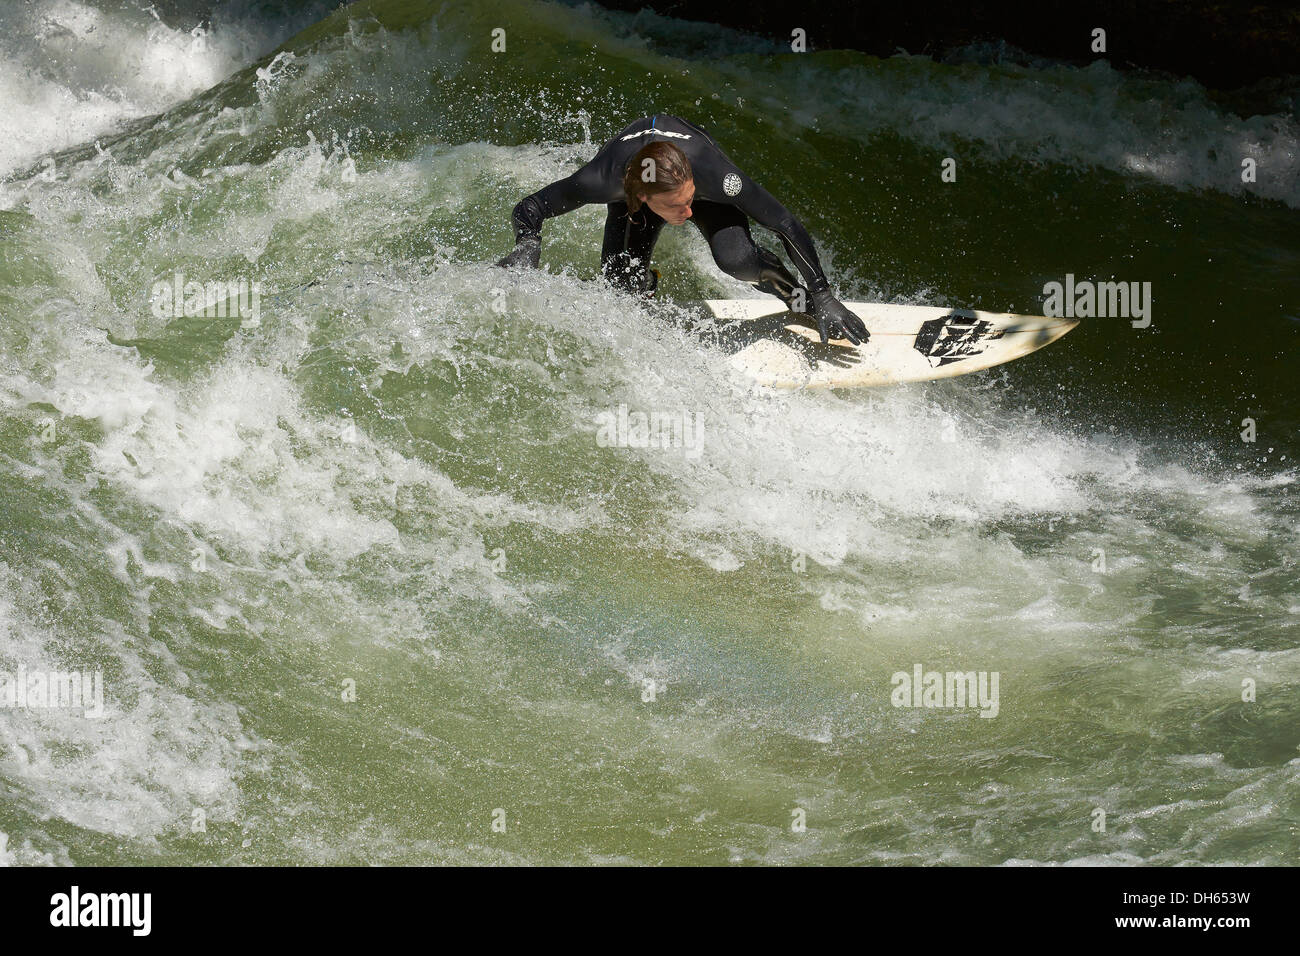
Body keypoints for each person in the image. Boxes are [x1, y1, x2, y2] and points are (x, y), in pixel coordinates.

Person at [497, 114, 869, 345]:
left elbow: (785, 224)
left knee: (736, 260)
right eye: (679, 208)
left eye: (688, 202)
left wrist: (822, 295)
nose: (688, 213)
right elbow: (530, 208)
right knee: (619, 287)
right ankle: (647, 284)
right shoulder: (599, 181)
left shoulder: (718, 179)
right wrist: (527, 243)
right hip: (635, 194)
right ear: (641, 195)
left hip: (701, 182)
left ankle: (794, 298)